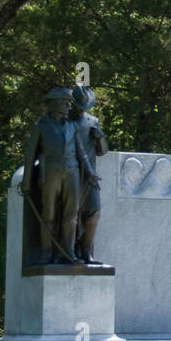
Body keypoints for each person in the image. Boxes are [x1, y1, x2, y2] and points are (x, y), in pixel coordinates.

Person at [22, 87, 81, 264]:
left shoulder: (73, 125)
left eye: (69, 103)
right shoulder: (41, 126)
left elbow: (81, 152)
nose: (68, 106)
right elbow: (30, 155)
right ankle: (46, 252)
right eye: (64, 102)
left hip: (72, 170)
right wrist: (26, 180)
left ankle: (68, 251)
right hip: (51, 171)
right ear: (54, 103)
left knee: (71, 213)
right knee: (48, 213)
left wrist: (91, 173)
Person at [69, 85, 109, 264]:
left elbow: (103, 151)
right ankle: (71, 251)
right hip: (70, 173)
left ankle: (85, 249)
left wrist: (100, 137)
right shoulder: (65, 120)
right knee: (72, 215)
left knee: (94, 213)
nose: (81, 110)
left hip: (90, 174)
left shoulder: (92, 121)